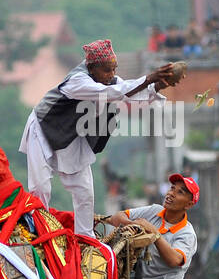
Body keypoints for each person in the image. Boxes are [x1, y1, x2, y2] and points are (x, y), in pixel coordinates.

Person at [21, 40, 178, 236]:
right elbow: (112, 93)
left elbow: (129, 93)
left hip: (71, 133)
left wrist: (156, 86)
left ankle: (86, 238)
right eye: (107, 70)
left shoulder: (109, 80)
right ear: (91, 67)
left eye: (114, 69)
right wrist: (148, 79)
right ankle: (38, 232)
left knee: (84, 190)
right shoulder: (77, 81)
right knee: (40, 186)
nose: (112, 75)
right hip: (44, 128)